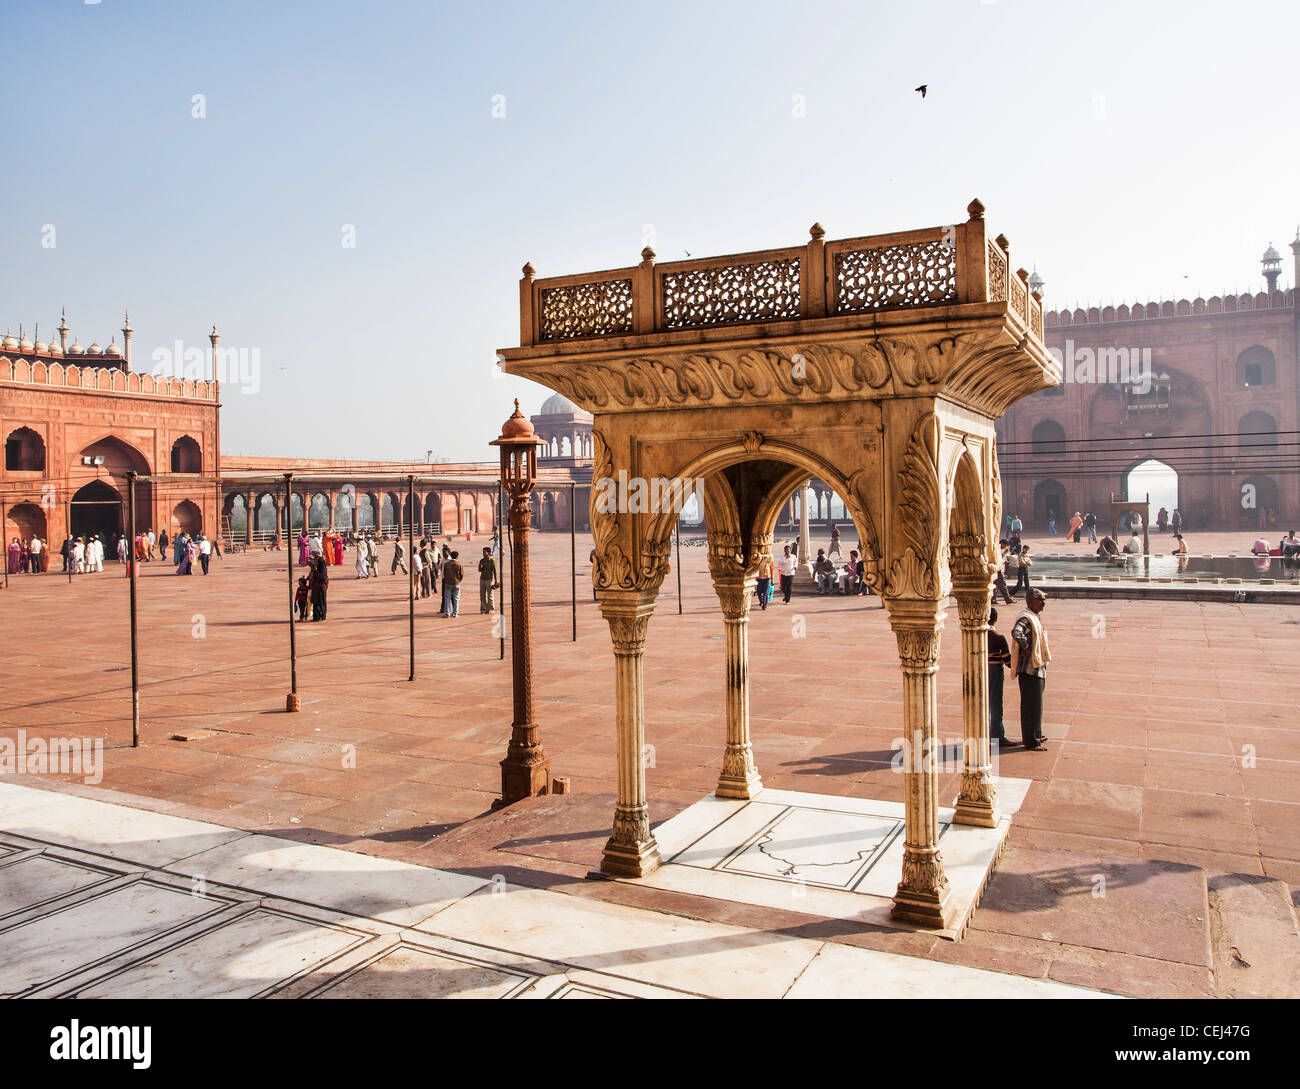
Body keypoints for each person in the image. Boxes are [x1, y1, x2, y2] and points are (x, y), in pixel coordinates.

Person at [1010, 589, 1051, 751]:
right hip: (1029, 670)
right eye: (1040, 599)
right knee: (1031, 705)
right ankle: (1031, 740)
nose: (1043, 602)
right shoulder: (1027, 618)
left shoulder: (1032, 616)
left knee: (1037, 704)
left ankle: (1036, 733)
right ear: (1030, 601)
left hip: (1036, 668)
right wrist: (1025, 647)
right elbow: (1016, 632)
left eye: (1043, 599)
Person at [987, 607, 1013, 746]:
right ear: (995, 619)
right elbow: (1008, 661)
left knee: (983, 702)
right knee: (996, 703)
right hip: (995, 670)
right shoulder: (998, 638)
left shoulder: (979, 635)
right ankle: (997, 735)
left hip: (981, 670)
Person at [441, 550, 464, 617]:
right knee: (456, 598)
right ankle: (455, 613)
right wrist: (459, 580)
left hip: (448, 582)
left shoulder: (446, 563)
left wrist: (447, 579)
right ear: (457, 556)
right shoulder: (459, 564)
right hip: (456, 583)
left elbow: (444, 573)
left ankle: (447, 613)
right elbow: (461, 574)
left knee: (447, 598)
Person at [308, 554, 329, 620]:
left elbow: (322, 578)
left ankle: (322, 616)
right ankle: (316, 617)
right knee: (315, 602)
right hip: (316, 587)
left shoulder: (322, 569)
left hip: (320, 587)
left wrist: (315, 570)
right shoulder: (316, 568)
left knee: (321, 602)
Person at [478, 546, 497, 613]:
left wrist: (496, 581)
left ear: (488, 553)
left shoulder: (492, 561)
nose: (483, 553)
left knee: (490, 595)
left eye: (484, 552)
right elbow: (479, 570)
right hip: (482, 579)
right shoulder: (481, 560)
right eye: (483, 552)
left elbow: (495, 571)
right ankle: (483, 609)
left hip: (489, 579)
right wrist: (481, 567)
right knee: (482, 595)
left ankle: (490, 609)